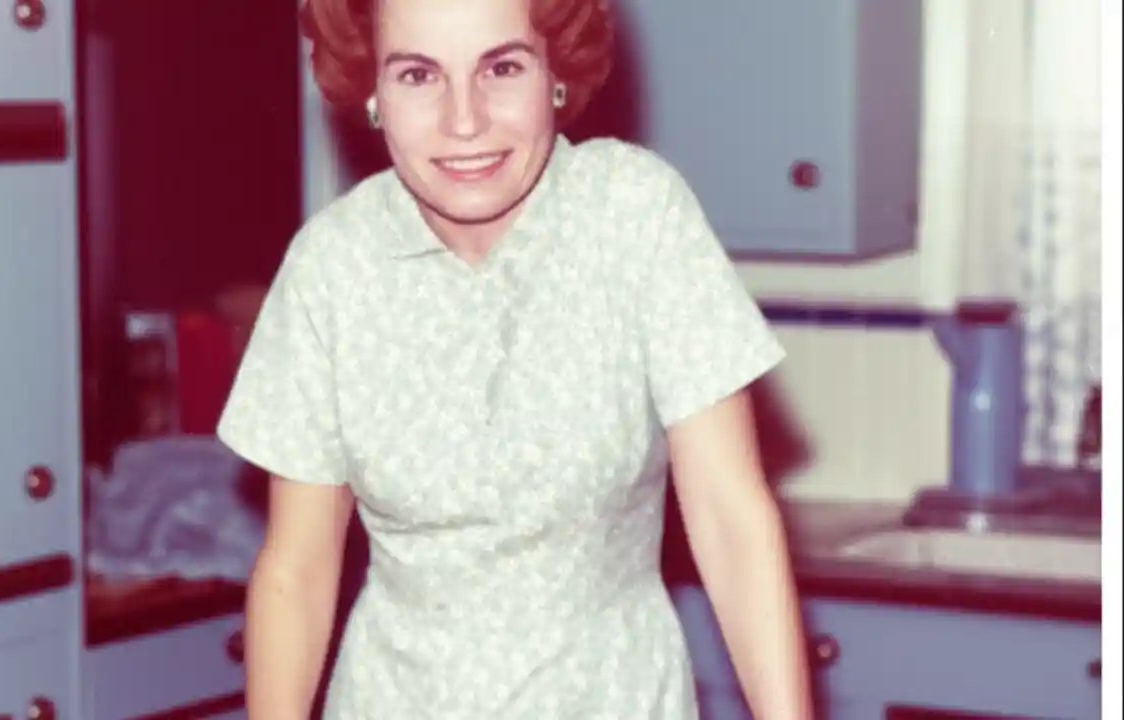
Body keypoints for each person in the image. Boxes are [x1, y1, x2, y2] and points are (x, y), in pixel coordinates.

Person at [216, 0, 814, 717]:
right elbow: (296, 571)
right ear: (371, 89)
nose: (464, 120)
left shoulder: (635, 215)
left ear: (555, 73)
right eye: (417, 75)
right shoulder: (332, 267)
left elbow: (731, 519)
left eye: (501, 67)